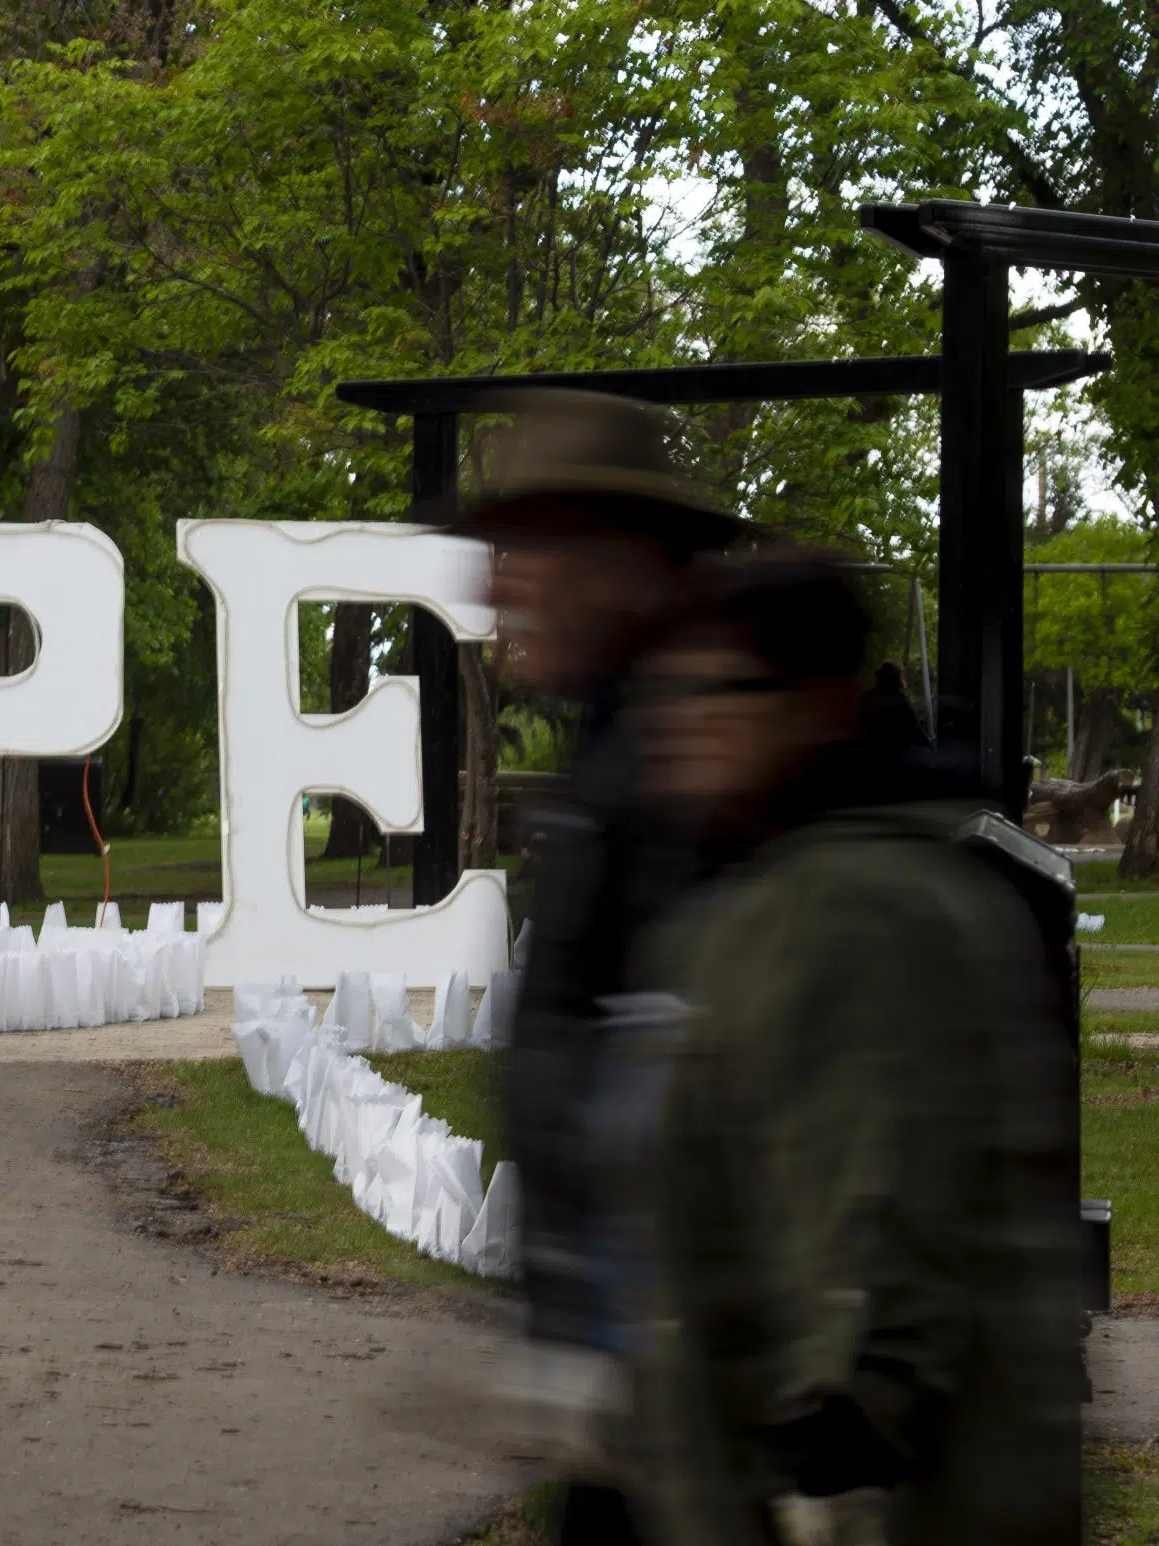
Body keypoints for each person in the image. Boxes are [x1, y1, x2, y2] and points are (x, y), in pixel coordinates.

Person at [625, 554, 1078, 1546]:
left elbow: (876, 1220)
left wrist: (833, 1466)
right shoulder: (804, 884)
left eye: (721, 690)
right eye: (671, 691)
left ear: (819, 702)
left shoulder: (846, 909)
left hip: (897, 1493)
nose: (683, 721)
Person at [452, 390, 748, 1546]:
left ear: (622, 557)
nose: (497, 585)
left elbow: (699, 1073)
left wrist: (615, 1331)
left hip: (685, 1370)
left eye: (526, 550)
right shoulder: (621, 738)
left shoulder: (696, 755)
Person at [857, 662, 928, 760]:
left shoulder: (866, 697)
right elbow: (913, 729)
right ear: (896, 679)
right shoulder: (899, 701)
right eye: (901, 676)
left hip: (867, 754)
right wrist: (928, 745)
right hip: (896, 755)